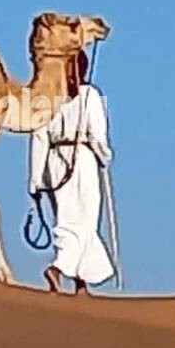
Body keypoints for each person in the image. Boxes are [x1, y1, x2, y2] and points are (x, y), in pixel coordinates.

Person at [28, 51, 115, 294]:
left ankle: (80, 281)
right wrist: (104, 155)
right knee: (81, 221)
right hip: (82, 159)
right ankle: (59, 268)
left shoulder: (48, 99)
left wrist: (36, 180)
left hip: (55, 163)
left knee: (68, 219)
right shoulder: (90, 96)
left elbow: (39, 138)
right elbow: (98, 136)